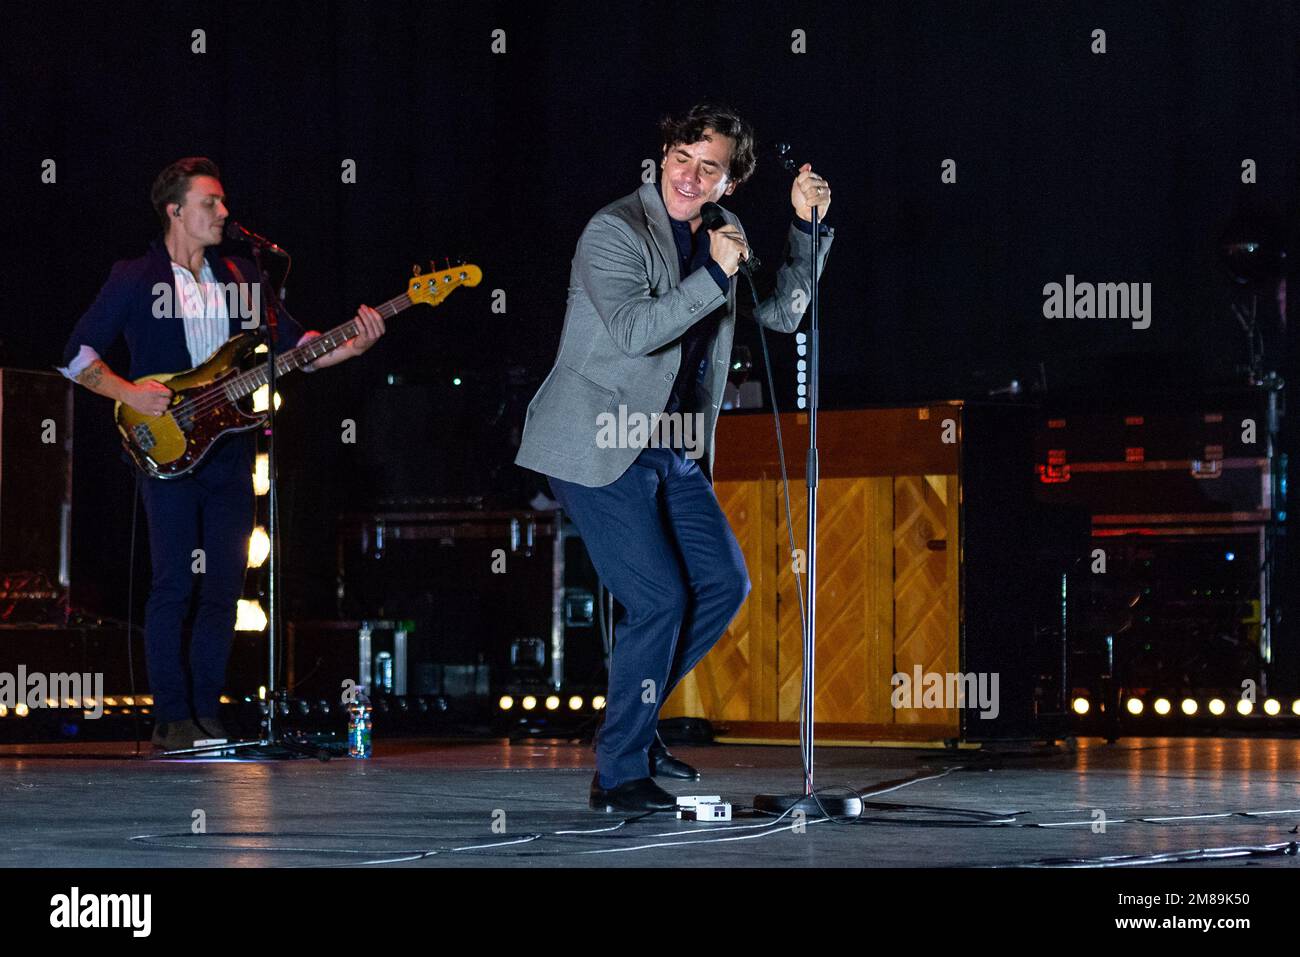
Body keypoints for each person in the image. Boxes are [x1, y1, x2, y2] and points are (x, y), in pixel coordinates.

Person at [515, 104, 833, 811]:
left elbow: (782, 312)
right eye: (683, 156)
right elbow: (634, 331)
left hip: (671, 448)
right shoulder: (614, 231)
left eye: (709, 166)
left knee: (722, 584)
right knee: (658, 597)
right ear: (663, 155)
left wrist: (806, 231)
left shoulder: (727, 232)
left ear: (728, 181)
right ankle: (620, 770)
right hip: (596, 444)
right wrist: (715, 277)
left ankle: (638, 713)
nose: (690, 174)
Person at [58, 157, 386, 751]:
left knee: (226, 586)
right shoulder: (135, 276)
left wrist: (352, 345)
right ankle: (171, 715)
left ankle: (207, 714)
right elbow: (76, 356)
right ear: (175, 210)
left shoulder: (242, 276)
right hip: (166, 445)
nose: (224, 213)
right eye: (210, 203)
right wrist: (130, 391)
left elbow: (297, 348)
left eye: (222, 202)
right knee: (173, 583)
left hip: (230, 448)